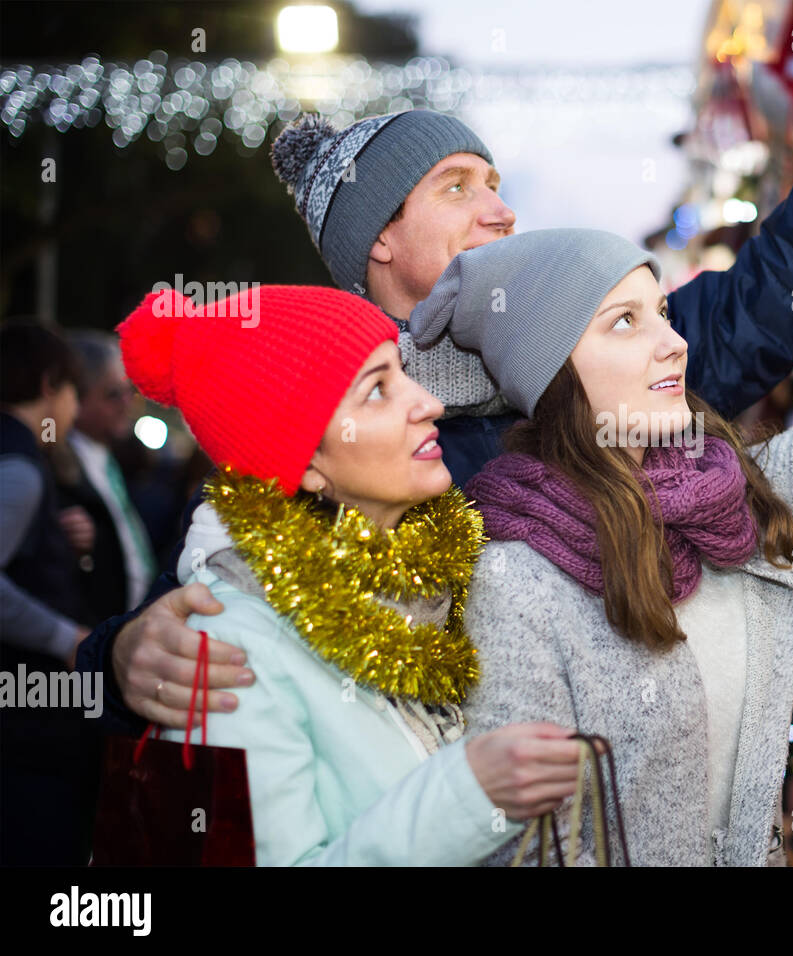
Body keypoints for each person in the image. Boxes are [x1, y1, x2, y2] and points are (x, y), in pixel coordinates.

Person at [77, 0, 793, 738]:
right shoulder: (331, 426)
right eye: (456, 186)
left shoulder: (573, 369)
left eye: (495, 182)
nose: (500, 211)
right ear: (380, 246)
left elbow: (748, 312)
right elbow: (216, 600)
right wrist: (116, 658)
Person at [408, 65, 793, 865]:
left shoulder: (728, 497)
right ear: (554, 375)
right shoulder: (513, 576)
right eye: (625, 323)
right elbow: (526, 848)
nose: (674, 342)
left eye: (661, 311)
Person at [113, 285, 581, 865]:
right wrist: (466, 795)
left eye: (403, 373)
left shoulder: (442, 581)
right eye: (378, 390)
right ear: (305, 464)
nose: (428, 403)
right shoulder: (228, 647)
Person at [0, 321, 97, 865]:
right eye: (70, 392)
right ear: (46, 385)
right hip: (27, 729)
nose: (72, 412)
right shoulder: (20, 466)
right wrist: (66, 636)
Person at [53, 330, 158, 623]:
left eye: (130, 391)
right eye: (113, 394)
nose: (128, 402)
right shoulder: (57, 469)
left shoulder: (117, 458)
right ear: (76, 399)